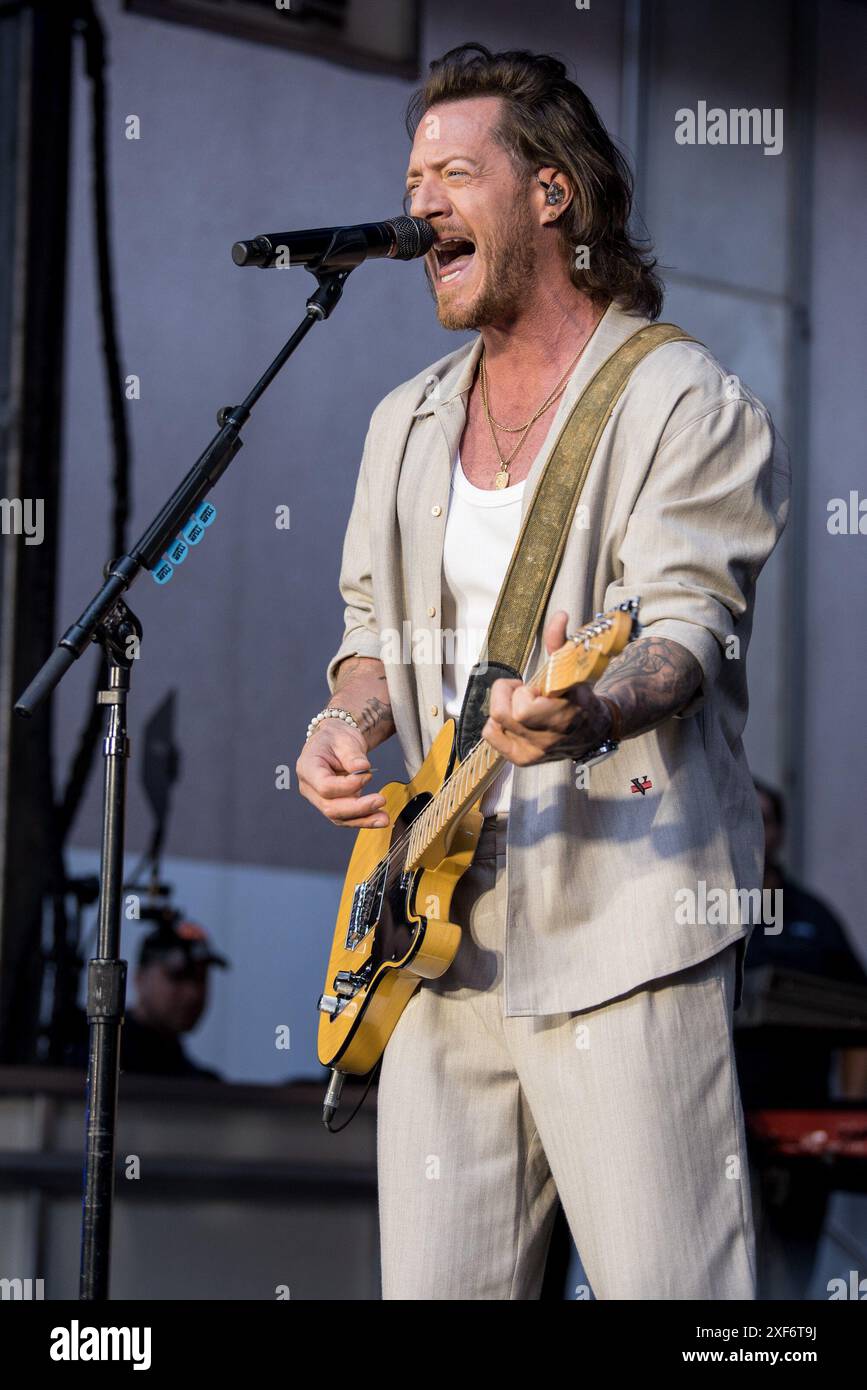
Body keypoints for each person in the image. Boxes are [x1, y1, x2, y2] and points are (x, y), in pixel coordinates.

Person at [297, 43, 790, 1300]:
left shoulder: (683, 397)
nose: (421, 205)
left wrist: (594, 711)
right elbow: (370, 633)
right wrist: (345, 722)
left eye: (455, 172)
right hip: (433, 938)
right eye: (413, 177)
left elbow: (685, 629)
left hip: (625, 930)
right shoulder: (403, 422)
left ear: (552, 193)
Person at [736, 780, 867, 1299]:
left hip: (801, 1143)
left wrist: (848, 1118)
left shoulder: (815, 918)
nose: (759, 830)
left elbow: (861, 1020)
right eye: (749, 815)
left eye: (768, 819)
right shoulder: (701, 913)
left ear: (782, 833)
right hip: (720, 1130)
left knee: (789, 1280)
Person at [120, 919, 227, 1081]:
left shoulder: (200, 1085)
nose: (193, 993)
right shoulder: (95, 1062)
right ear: (139, 978)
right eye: (178, 976)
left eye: (200, 978)